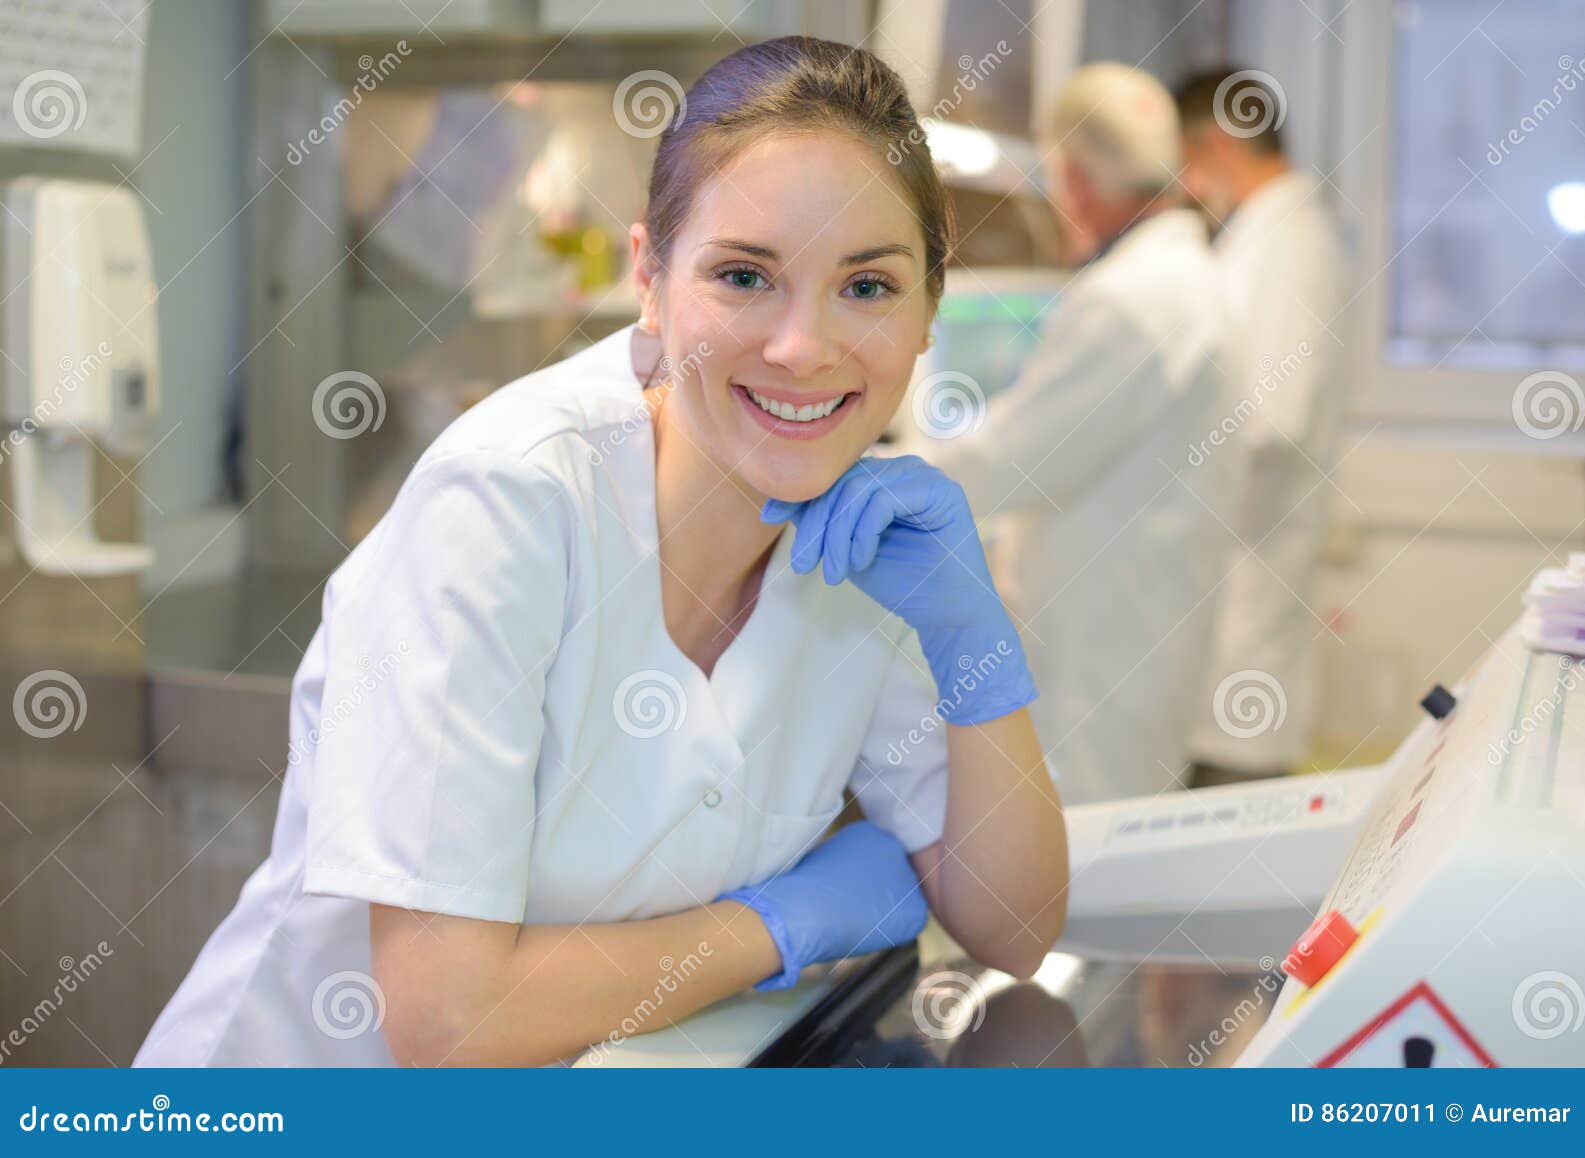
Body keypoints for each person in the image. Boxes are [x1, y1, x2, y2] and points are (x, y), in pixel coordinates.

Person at [132, 36, 1067, 1068]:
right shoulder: (508, 502)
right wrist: (777, 928)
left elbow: (1014, 928)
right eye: (744, 275)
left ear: (930, 304)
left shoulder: (868, 549)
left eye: (869, 286)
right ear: (650, 279)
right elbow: (446, 1019)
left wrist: (977, 647)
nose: (803, 348)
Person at [904, 63, 1238, 806]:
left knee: (1078, 843)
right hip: (1135, 626)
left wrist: (870, 474)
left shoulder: (1129, 302)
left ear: (1076, 180)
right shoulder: (1185, 278)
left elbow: (1008, 460)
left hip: (1099, 651)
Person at [1173, 66, 1350, 785]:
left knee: (1224, 799)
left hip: (1246, 593)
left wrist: (1167, 465)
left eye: (1185, 162)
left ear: (1215, 144)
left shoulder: (1287, 244)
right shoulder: (1265, 236)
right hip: (1233, 585)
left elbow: (1273, 418)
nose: (1186, 185)